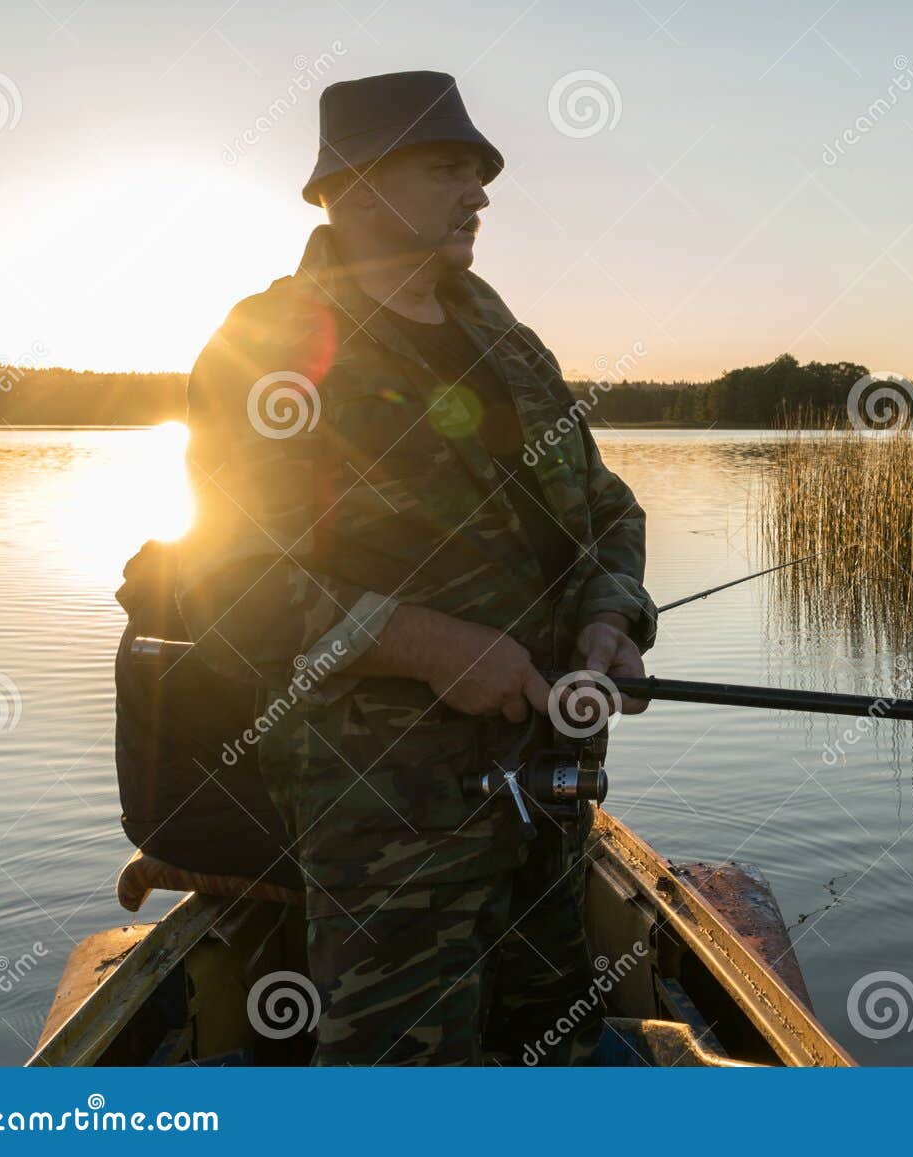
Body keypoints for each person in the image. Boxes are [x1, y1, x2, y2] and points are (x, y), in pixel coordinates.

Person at [174, 70, 654, 1065]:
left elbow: (607, 512)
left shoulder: (506, 341)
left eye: (479, 173)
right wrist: (430, 645)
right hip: (392, 821)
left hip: (548, 796)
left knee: (548, 1046)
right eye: (449, 169)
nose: (478, 193)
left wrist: (612, 618)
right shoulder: (269, 344)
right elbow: (232, 587)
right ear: (354, 185)